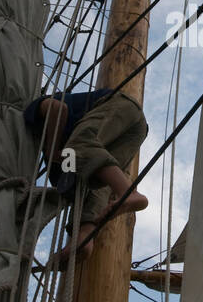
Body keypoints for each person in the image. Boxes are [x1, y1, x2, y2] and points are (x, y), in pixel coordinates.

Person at [22, 87, 149, 258]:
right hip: (135, 130)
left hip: (122, 106)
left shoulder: (30, 112)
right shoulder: (58, 167)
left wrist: (53, 148)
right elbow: (77, 179)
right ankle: (85, 238)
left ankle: (128, 192)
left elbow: (57, 109)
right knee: (95, 182)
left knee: (78, 145)